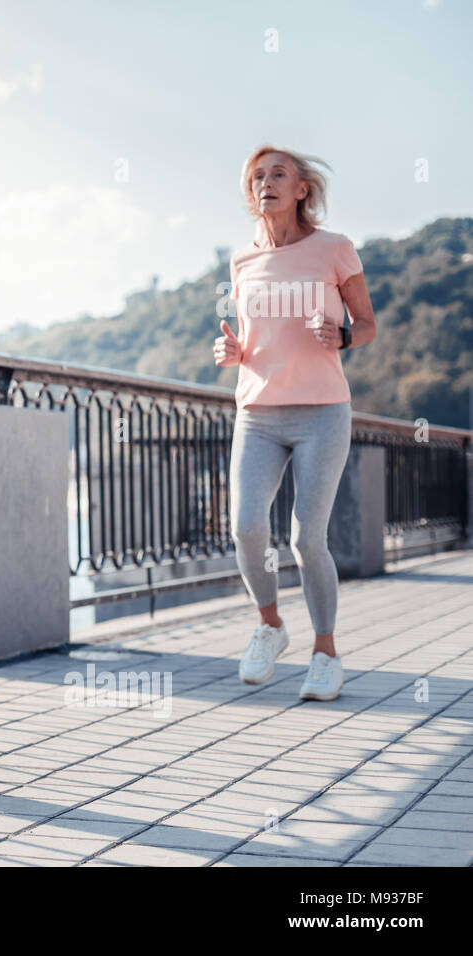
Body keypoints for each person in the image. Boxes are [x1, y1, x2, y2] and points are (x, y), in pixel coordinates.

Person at [214, 145, 378, 702]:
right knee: (246, 528)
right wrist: (233, 351)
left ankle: (326, 654)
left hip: (322, 411)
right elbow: (255, 338)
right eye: (257, 176)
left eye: (278, 174)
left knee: (308, 538)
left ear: (302, 188)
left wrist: (345, 337)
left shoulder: (334, 249)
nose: (266, 183)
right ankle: (271, 625)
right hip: (257, 412)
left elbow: (368, 324)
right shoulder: (242, 263)